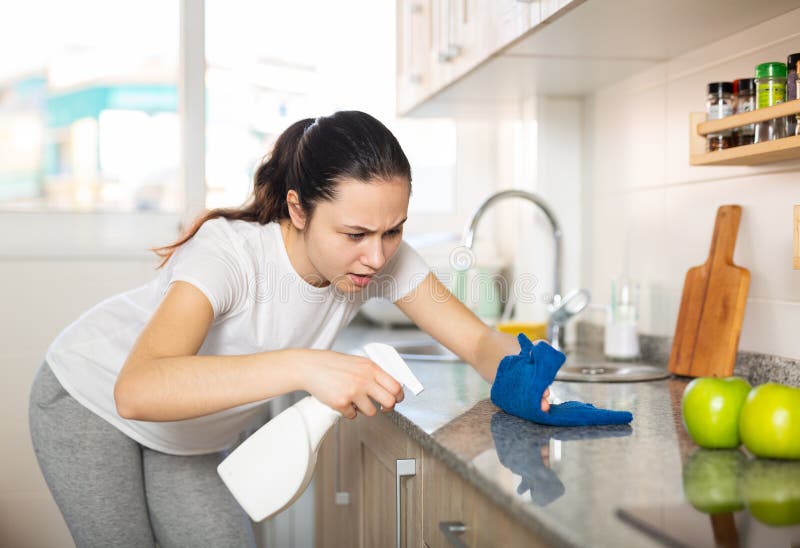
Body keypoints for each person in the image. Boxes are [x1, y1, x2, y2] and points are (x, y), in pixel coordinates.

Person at [28, 110, 552, 548]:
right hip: (88, 399)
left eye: (394, 230)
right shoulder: (228, 253)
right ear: (298, 209)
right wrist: (306, 365)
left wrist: (523, 376)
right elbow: (137, 390)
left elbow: (478, 340)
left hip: (186, 435)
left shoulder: (379, 258)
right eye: (354, 233)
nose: (376, 254)